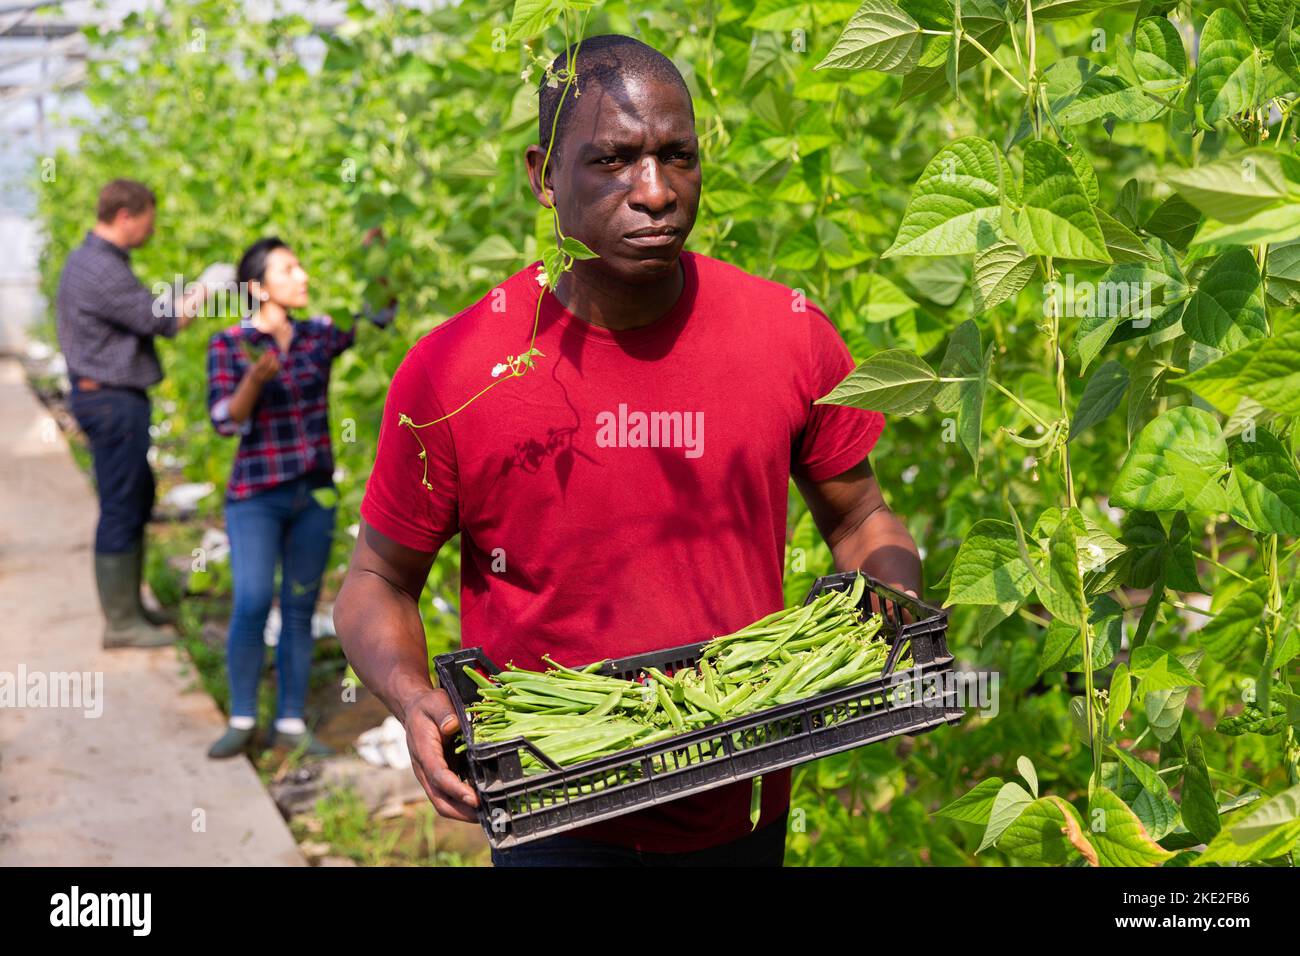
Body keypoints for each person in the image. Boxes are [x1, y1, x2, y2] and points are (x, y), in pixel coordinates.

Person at [334, 35, 922, 866]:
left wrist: (894, 604)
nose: (655, 192)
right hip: (554, 813)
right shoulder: (457, 373)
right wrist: (410, 697)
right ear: (542, 174)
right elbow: (376, 582)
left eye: (676, 157)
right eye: (613, 160)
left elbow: (862, 518)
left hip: (744, 803)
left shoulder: (785, 334)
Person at [204, 237, 393, 760]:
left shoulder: (318, 334)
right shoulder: (232, 344)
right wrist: (253, 384)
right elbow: (224, 421)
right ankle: (243, 716)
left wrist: (377, 254)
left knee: (301, 605)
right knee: (250, 600)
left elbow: (375, 316)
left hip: (313, 495)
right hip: (257, 496)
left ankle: (289, 720)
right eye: (289, 269)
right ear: (258, 287)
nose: (303, 275)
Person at [56, 178, 229, 649]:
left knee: (133, 497)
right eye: (149, 221)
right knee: (119, 505)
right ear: (126, 216)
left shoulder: (97, 262)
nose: (152, 231)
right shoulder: (99, 268)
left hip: (110, 398)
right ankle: (120, 623)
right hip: (111, 401)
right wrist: (207, 289)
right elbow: (164, 320)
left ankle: (130, 608)